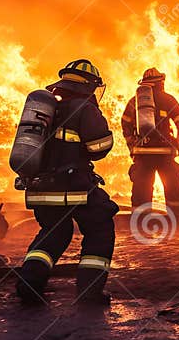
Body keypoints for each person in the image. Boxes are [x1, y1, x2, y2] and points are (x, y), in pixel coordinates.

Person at [13, 59, 118, 305]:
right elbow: (98, 146)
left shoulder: (45, 110)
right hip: (75, 187)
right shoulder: (84, 108)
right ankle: (89, 293)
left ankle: (29, 284)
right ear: (90, 86)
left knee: (54, 233)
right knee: (100, 228)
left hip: (41, 187)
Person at [121, 68, 179, 220]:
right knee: (173, 189)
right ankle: (178, 222)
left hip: (142, 154)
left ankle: (139, 223)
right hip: (165, 153)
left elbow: (125, 124)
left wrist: (132, 145)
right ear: (161, 82)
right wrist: (178, 143)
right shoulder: (168, 99)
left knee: (141, 190)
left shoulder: (134, 101)